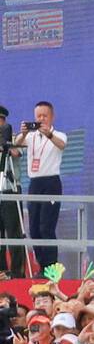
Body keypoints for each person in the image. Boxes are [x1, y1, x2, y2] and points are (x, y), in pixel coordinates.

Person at [12, 102, 68, 271]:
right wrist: (22, 134)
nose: (41, 119)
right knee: (35, 228)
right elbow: (15, 151)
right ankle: (42, 266)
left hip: (51, 183)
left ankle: (50, 268)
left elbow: (62, 145)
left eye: (45, 116)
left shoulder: (59, 134)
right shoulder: (30, 136)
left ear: (52, 117)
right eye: (38, 116)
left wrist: (49, 134)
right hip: (35, 183)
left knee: (46, 226)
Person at [0, 104, 26, 278]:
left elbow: (17, 153)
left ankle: (17, 272)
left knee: (14, 231)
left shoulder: (14, 138)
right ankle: (1, 270)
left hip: (10, 189)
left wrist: (6, 146)